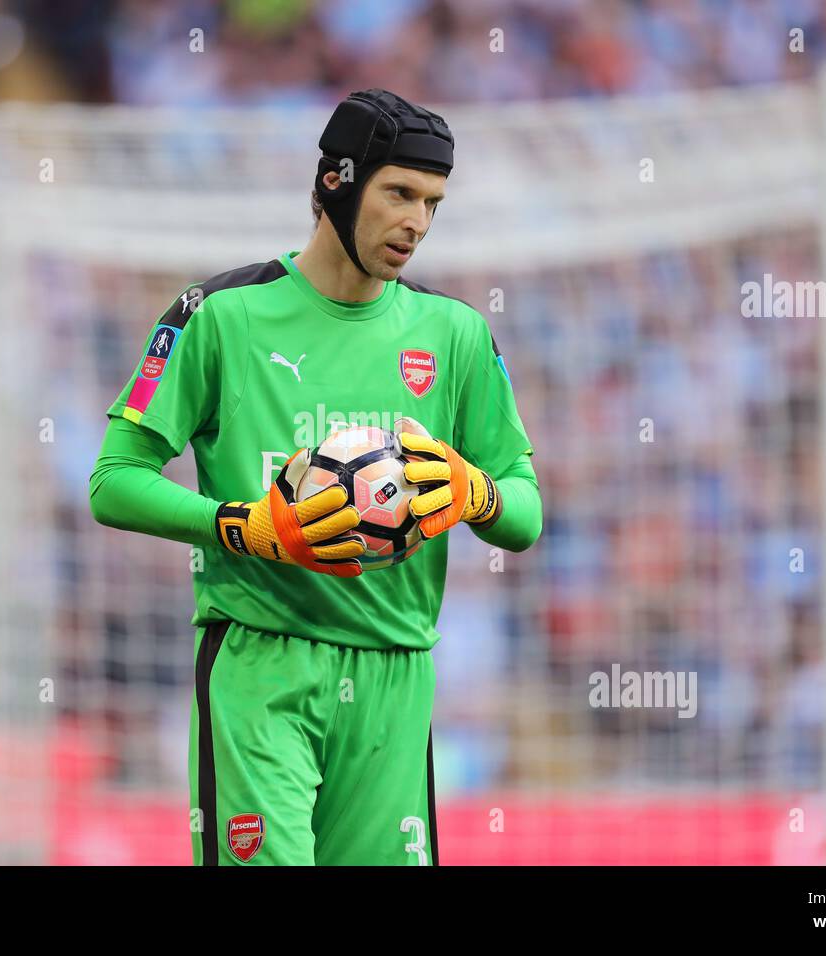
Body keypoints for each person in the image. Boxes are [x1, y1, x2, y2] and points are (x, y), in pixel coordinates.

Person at [89, 89, 542, 865]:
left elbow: (524, 512)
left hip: (396, 673)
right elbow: (113, 481)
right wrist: (243, 525)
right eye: (399, 193)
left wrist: (478, 493)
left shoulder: (457, 334)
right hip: (262, 661)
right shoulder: (216, 316)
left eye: (433, 203)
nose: (417, 223)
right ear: (337, 181)